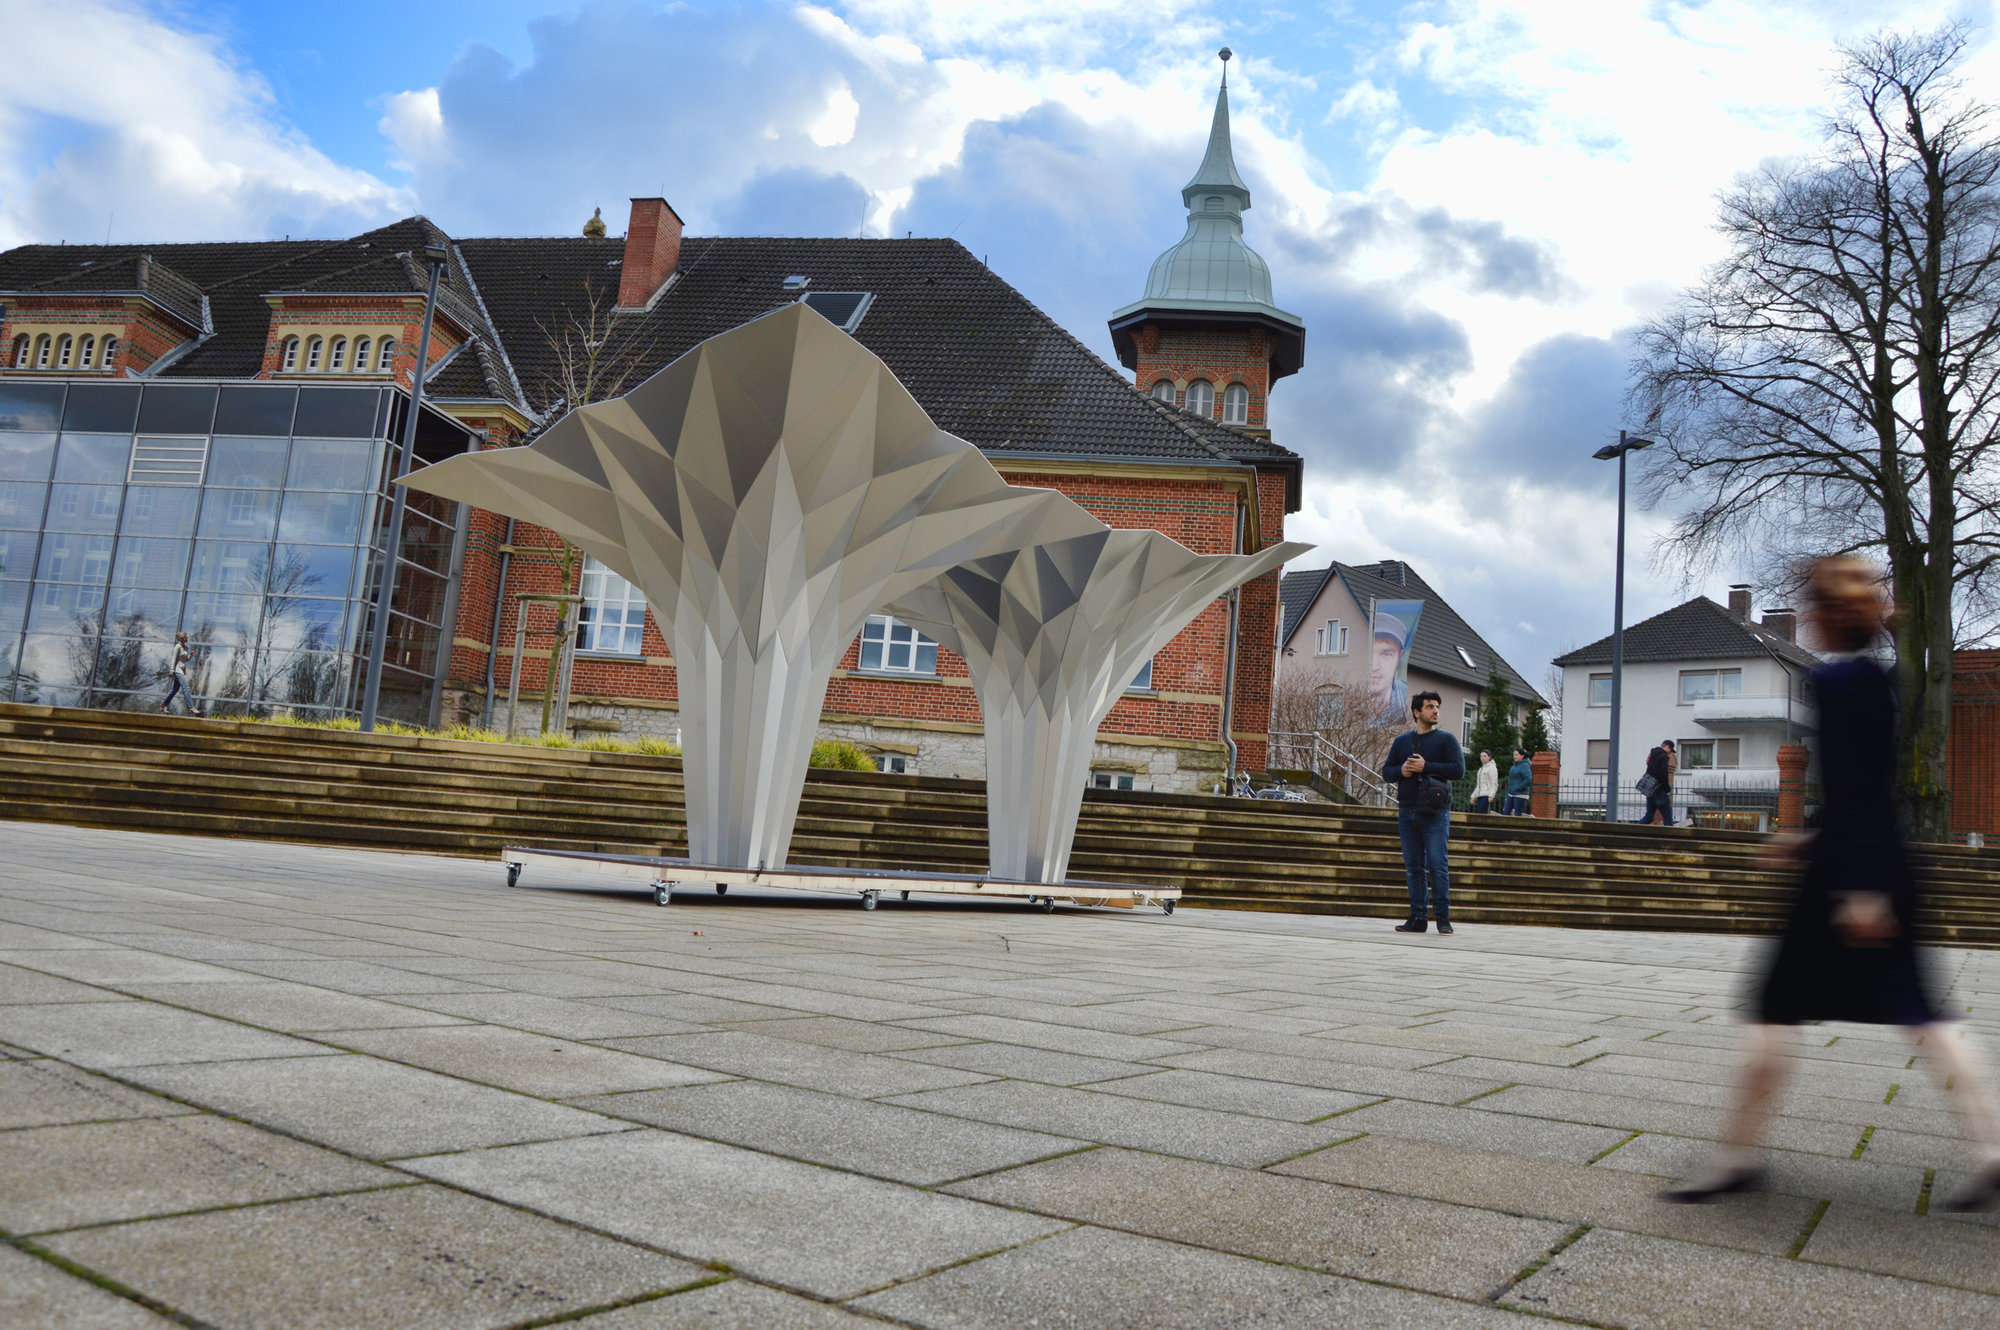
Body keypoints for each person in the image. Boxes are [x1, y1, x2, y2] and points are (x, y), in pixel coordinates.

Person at [1663, 557, 2000, 1209]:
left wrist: (1859, 885)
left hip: (1850, 879)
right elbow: (1866, 790)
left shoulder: (1841, 685)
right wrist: (1816, 843)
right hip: (1864, 864)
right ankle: (1992, 1152)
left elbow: (1856, 787)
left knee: (1770, 1013)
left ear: (1821, 617)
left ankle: (1736, 1159)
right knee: (1922, 1017)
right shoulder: (1878, 681)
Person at [1382, 690, 1464, 935]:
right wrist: (1402, 771)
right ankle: (1417, 917)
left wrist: (1426, 766)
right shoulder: (1402, 742)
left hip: (1435, 812)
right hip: (1407, 810)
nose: (1435, 710)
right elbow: (1387, 771)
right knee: (1413, 867)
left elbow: (1458, 769)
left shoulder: (1446, 740)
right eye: (1430, 707)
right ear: (1417, 712)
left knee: (1438, 864)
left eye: (1437, 706)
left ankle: (1443, 917)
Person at [1367, 614, 1411, 720]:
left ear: (1399, 658)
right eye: (1369, 653)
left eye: (1386, 654)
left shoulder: (1404, 709)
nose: (1374, 667)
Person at [1637, 739, 1676, 825]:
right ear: (1668, 747)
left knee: (1649, 816)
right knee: (1668, 817)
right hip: (1660, 790)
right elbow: (1663, 774)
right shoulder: (1663, 756)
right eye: (1671, 751)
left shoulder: (1653, 755)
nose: (1670, 754)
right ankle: (1668, 837)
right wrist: (1667, 789)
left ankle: (1632, 831)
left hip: (1650, 790)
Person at [160, 632, 195, 716]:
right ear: (180, 639)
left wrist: (190, 655)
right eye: (185, 637)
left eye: (187, 637)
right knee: (185, 687)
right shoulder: (177, 647)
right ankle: (191, 707)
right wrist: (172, 671)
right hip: (177, 670)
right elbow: (174, 659)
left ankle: (163, 704)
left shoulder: (186, 647)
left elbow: (185, 659)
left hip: (181, 670)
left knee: (174, 690)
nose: (187, 639)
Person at [1504, 746, 1533, 816]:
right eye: (1514, 755)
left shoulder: (1525, 765)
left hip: (1520, 794)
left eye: (1516, 755)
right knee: (1506, 813)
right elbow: (1511, 781)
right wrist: (1507, 794)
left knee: (1517, 814)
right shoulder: (1514, 766)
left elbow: (1528, 779)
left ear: (1522, 756)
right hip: (1511, 794)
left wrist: (1518, 787)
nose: (1514, 756)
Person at [1472, 749, 1498, 814]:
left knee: (1481, 812)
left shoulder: (1492, 768)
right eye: (1481, 756)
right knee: (1480, 812)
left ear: (1489, 757)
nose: (1482, 758)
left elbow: (1494, 783)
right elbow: (1479, 784)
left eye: (1484, 756)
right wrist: (1473, 796)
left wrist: (1491, 795)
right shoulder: (1481, 769)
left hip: (1486, 794)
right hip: (1480, 794)